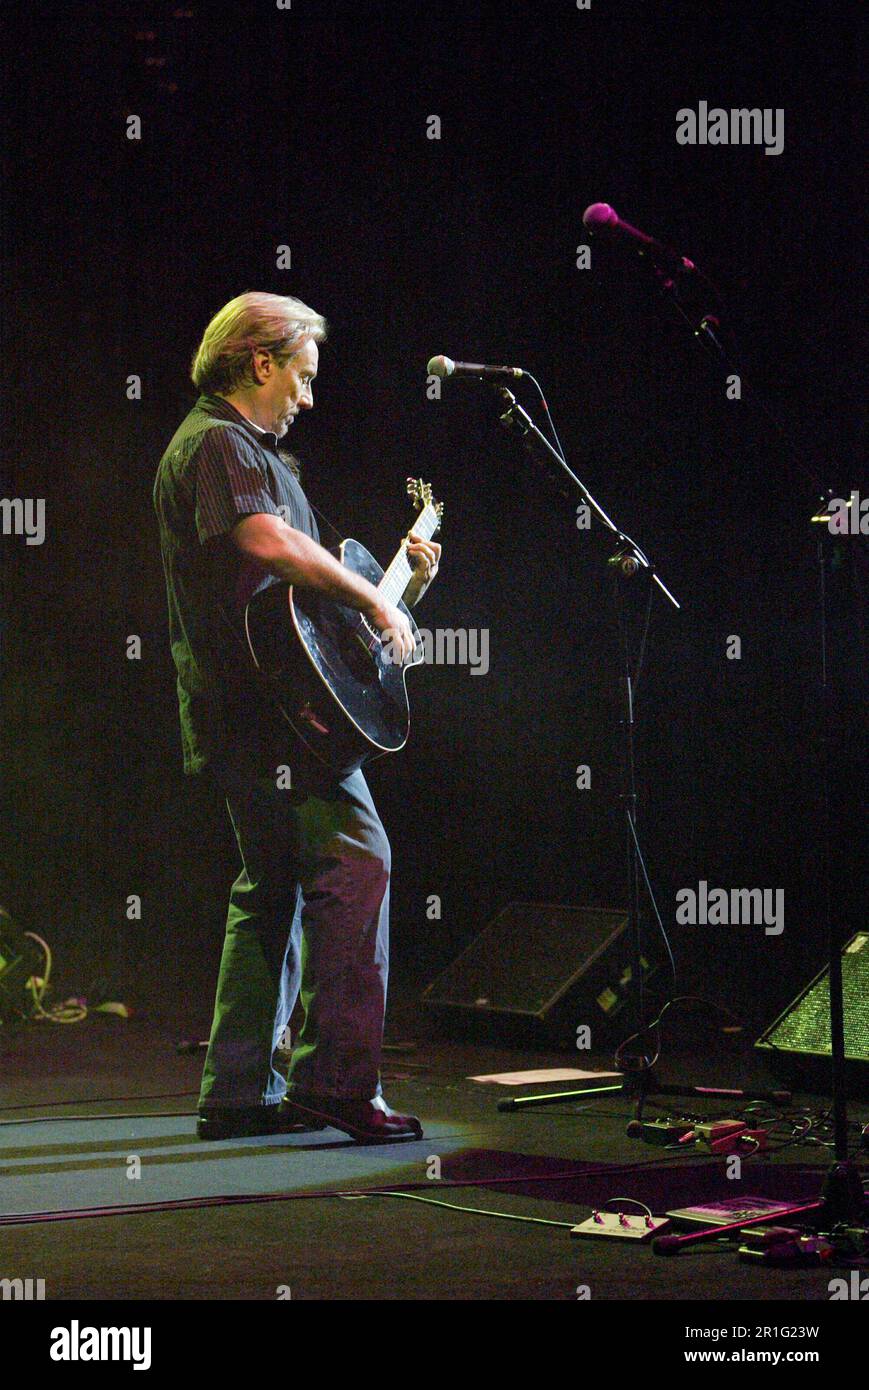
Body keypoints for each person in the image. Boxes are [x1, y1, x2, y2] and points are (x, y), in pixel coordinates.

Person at [153, 292, 440, 1143]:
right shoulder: (218, 443)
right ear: (261, 361)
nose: (309, 400)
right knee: (361, 860)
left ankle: (237, 1091)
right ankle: (337, 1084)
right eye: (303, 378)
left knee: (269, 888)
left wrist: (400, 590)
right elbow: (266, 545)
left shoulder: (248, 453)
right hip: (273, 724)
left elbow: (307, 619)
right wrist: (371, 599)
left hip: (248, 716)